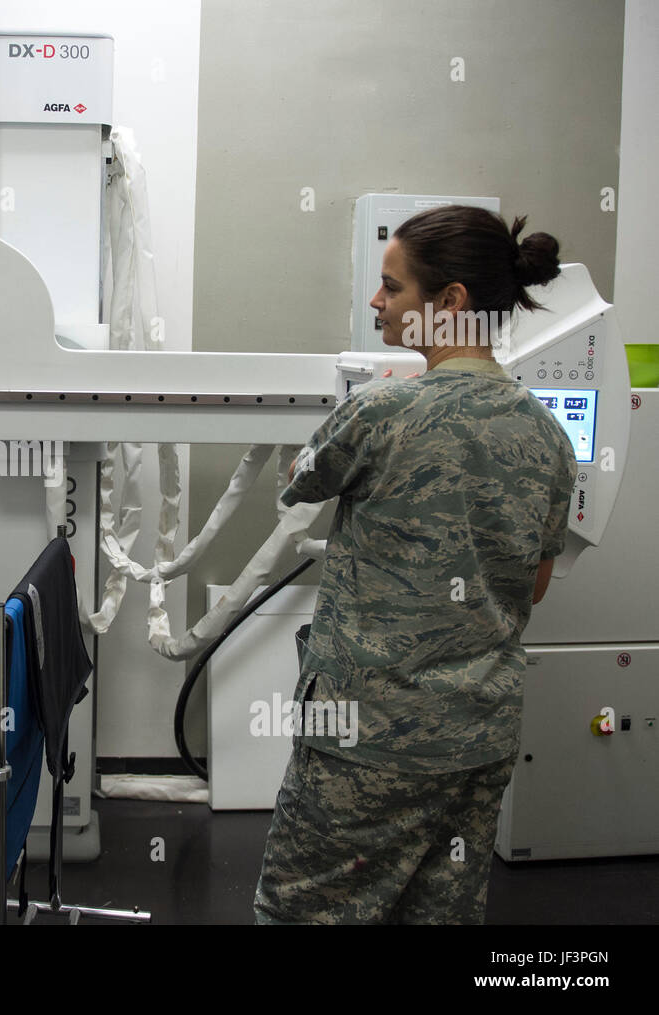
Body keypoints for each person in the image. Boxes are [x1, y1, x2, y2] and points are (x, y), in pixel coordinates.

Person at [254, 205, 577, 924]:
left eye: (392, 288)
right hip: (477, 740)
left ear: (451, 302)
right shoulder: (549, 435)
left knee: (308, 913)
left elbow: (298, 482)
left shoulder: (379, 412)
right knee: (442, 912)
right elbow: (535, 583)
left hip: (367, 740)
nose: (377, 302)